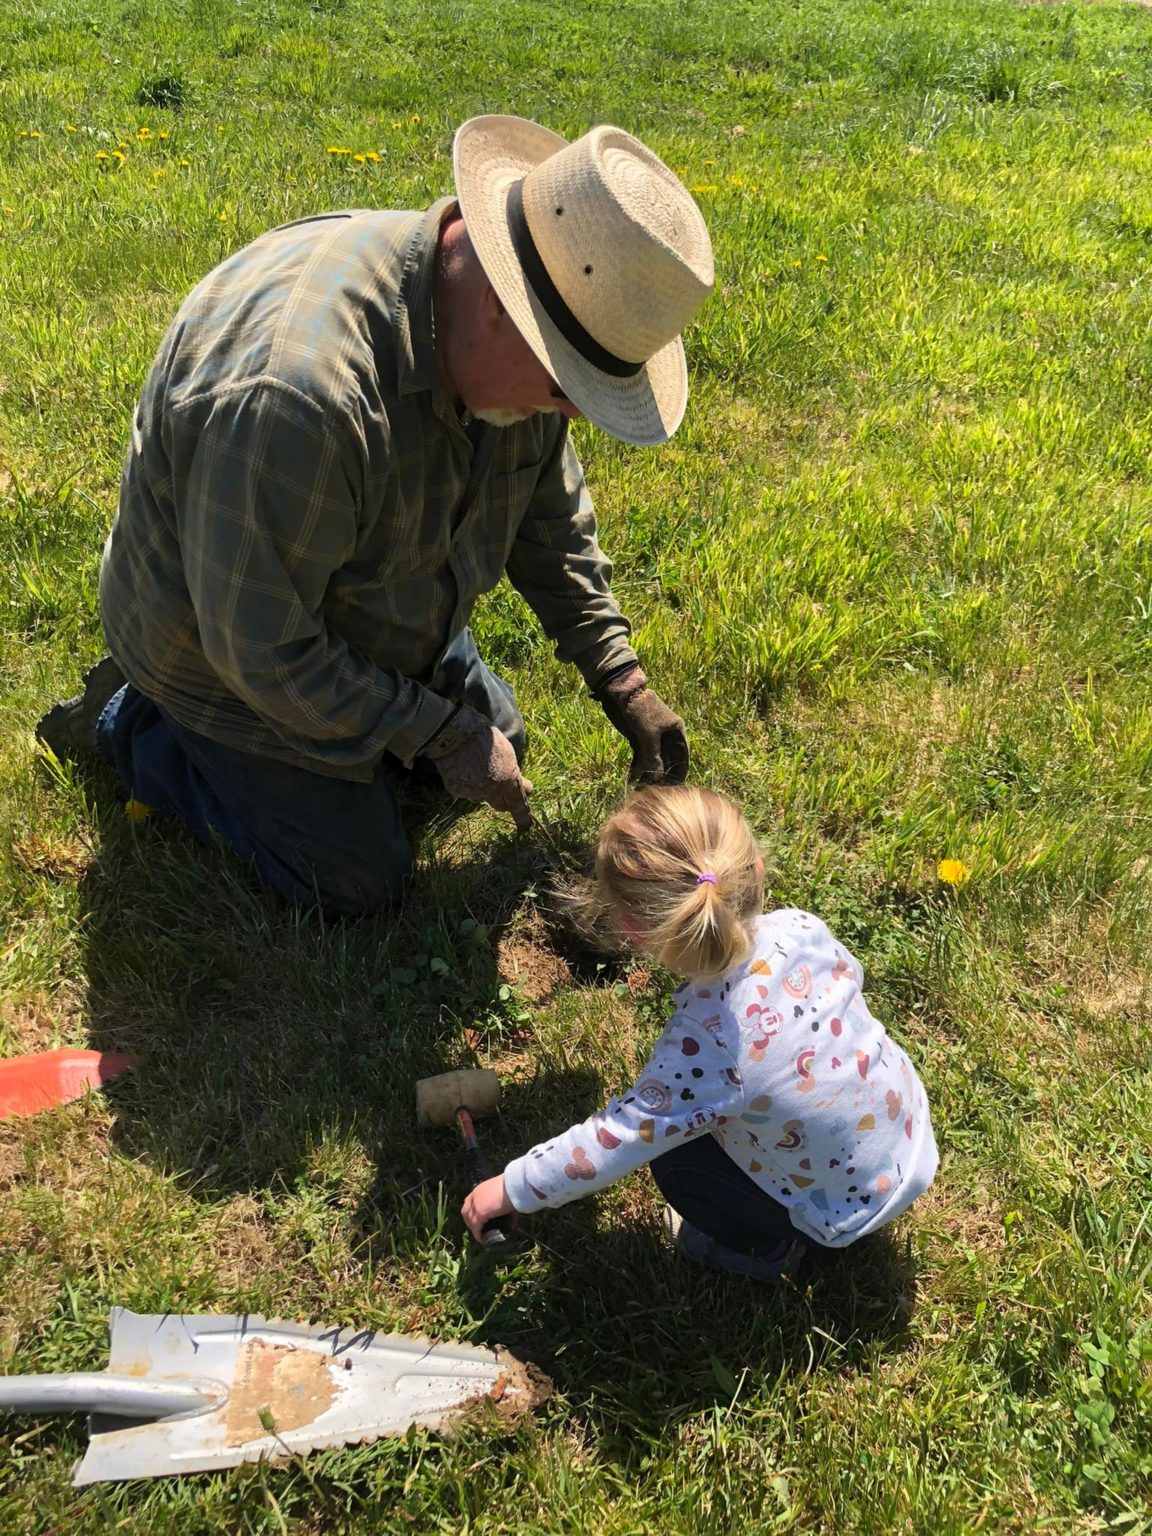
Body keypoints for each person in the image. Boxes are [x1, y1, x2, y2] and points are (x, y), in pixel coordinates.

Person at [36, 116, 715, 914]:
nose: (567, 416)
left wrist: (619, 678)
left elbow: (546, 515)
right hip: (223, 654)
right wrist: (441, 734)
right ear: (502, 303)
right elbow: (266, 652)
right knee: (357, 877)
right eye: (567, 389)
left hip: (362, 604)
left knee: (498, 746)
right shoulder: (298, 401)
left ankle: (362, 731)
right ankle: (136, 725)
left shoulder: (513, 333)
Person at [462, 786, 939, 1279]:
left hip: (839, 1210)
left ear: (633, 932)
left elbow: (618, 1138)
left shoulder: (706, 1045)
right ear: (755, 867)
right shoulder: (801, 928)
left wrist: (513, 1186)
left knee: (677, 1161)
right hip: (911, 1141)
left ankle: (765, 1250)